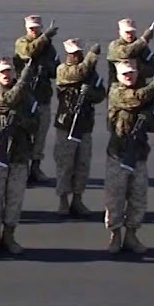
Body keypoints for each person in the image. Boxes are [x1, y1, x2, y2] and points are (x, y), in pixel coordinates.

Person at [104, 60, 154, 254]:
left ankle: (131, 234)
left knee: (138, 196)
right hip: (119, 154)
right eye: (124, 74)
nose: (128, 77)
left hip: (138, 154)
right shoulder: (117, 91)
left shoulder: (146, 98)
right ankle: (115, 235)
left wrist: (151, 118)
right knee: (115, 197)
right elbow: (135, 100)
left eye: (131, 73)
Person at [0, 57, 39, 255]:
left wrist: (21, 120)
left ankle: (9, 236)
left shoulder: (27, 96)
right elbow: (5, 102)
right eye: (2, 72)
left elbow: (35, 122)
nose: (6, 75)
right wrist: (22, 82)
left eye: (9, 71)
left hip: (19, 155)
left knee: (14, 200)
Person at [53, 39, 104, 217]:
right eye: (73, 53)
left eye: (79, 53)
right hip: (66, 123)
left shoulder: (91, 72)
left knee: (82, 164)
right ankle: (63, 200)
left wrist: (91, 93)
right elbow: (78, 74)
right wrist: (92, 56)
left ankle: (77, 199)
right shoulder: (63, 70)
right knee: (65, 164)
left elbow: (100, 94)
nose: (76, 56)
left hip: (84, 124)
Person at [13, 15, 58, 185]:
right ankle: (23, 166)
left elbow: (55, 70)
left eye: (37, 28)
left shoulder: (49, 48)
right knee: (24, 132)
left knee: (40, 133)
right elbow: (28, 51)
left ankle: (36, 165)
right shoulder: (22, 42)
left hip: (42, 96)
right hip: (26, 97)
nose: (34, 30)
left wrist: (49, 68)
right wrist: (45, 38)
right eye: (31, 28)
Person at [105, 18, 154, 87]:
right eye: (127, 32)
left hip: (139, 89)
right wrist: (144, 39)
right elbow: (125, 53)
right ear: (120, 32)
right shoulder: (114, 45)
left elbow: (151, 71)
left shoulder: (143, 47)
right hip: (118, 89)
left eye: (132, 32)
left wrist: (137, 67)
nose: (130, 35)